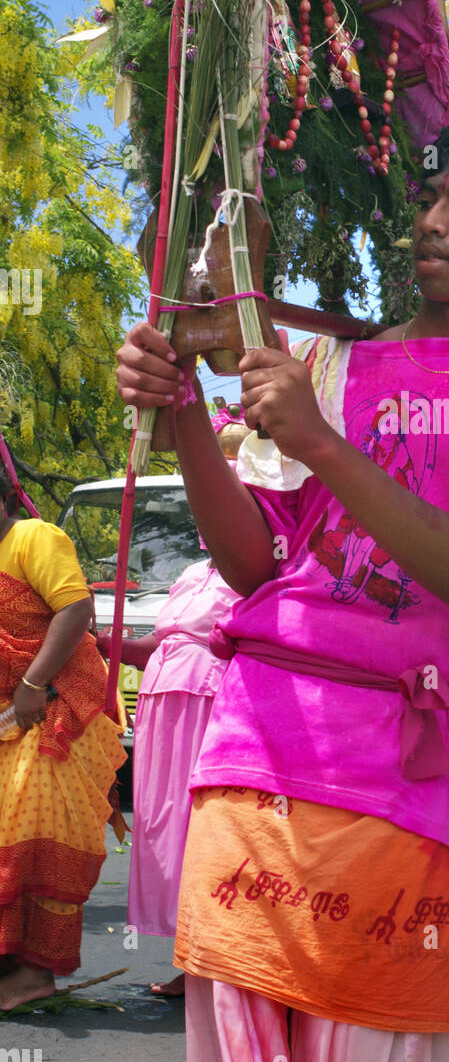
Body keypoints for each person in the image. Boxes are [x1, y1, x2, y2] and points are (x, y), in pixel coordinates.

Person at [116, 116, 449, 1062]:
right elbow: (257, 569)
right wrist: (183, 419)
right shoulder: (333, 363)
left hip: (400, 782)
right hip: (254, 747)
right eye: (425, 201)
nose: (432, 224)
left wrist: (320, 443)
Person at [97, 413, 251, 998]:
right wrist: (99, 639)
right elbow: (154, 649)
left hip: (211, 710)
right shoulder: (192, 575)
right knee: (162, 830)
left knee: (203, 830)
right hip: (162, 712)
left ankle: (218, 965)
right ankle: (192, 962)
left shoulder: (256, 573)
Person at [0, 462, 126, 1010]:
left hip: (59, 708)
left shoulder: (33, 536)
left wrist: (32, 684)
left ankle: (34, 975)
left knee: (37, 830)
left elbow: (76, 608)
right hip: (10, 713)